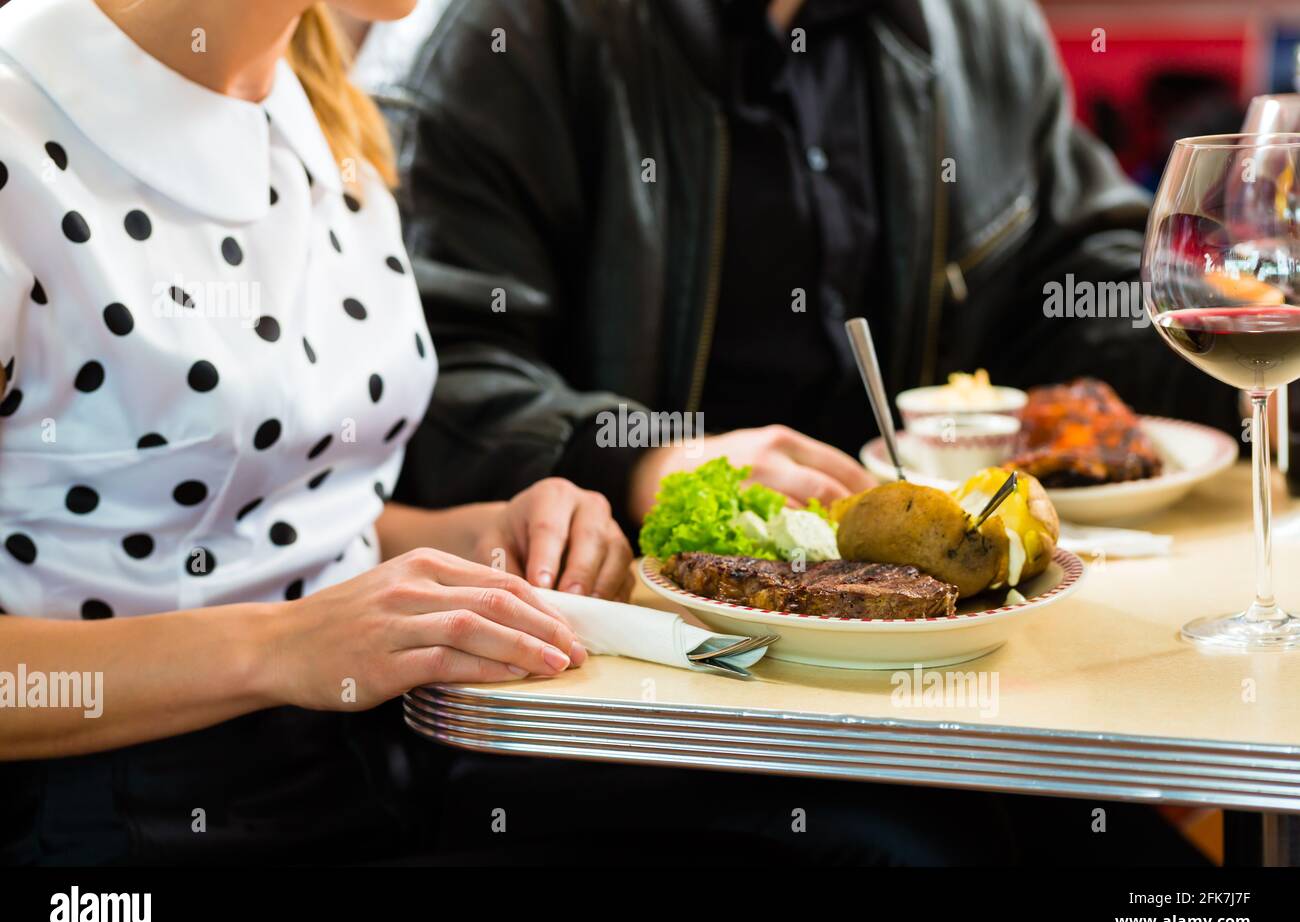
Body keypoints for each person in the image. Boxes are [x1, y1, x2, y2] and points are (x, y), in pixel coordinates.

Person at [0, 0, 634, 865]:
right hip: (104, 819)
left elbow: (273, 524)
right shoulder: (17, 129)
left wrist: (479, 544)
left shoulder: (314, 100)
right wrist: (282, 644)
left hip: (369, 769)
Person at [384, 0, 1242, 536]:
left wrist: (1243, 363)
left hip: (938, 619)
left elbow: (1076, 284)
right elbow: (439, 378)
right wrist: (655, 464)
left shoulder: (978, 28)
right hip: (653, 651)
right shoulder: (514, 38)